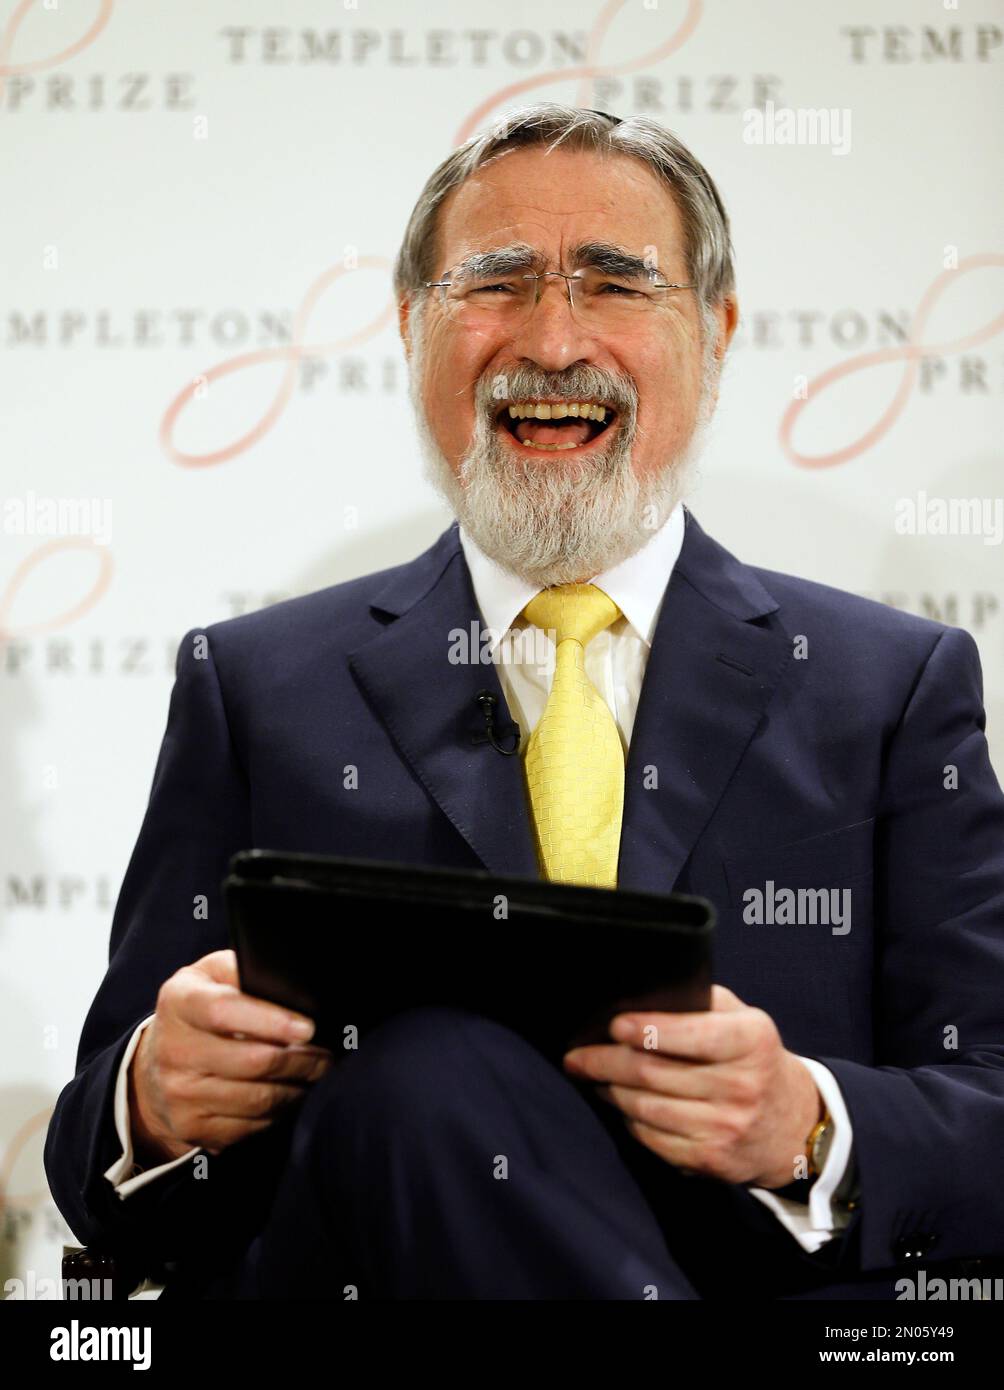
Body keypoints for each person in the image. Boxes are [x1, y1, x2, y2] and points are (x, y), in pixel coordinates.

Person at [45, 104, 1004, 1300]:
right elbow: (94, 1157)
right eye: (494, 284)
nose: (551, 340)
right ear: (410, 328)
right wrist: (153, 1093)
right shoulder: (254, 686)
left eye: (615, 286)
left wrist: (807, 1126)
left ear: (715, 331)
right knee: (423, 1080)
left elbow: (989, 1111)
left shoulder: (890, 688)